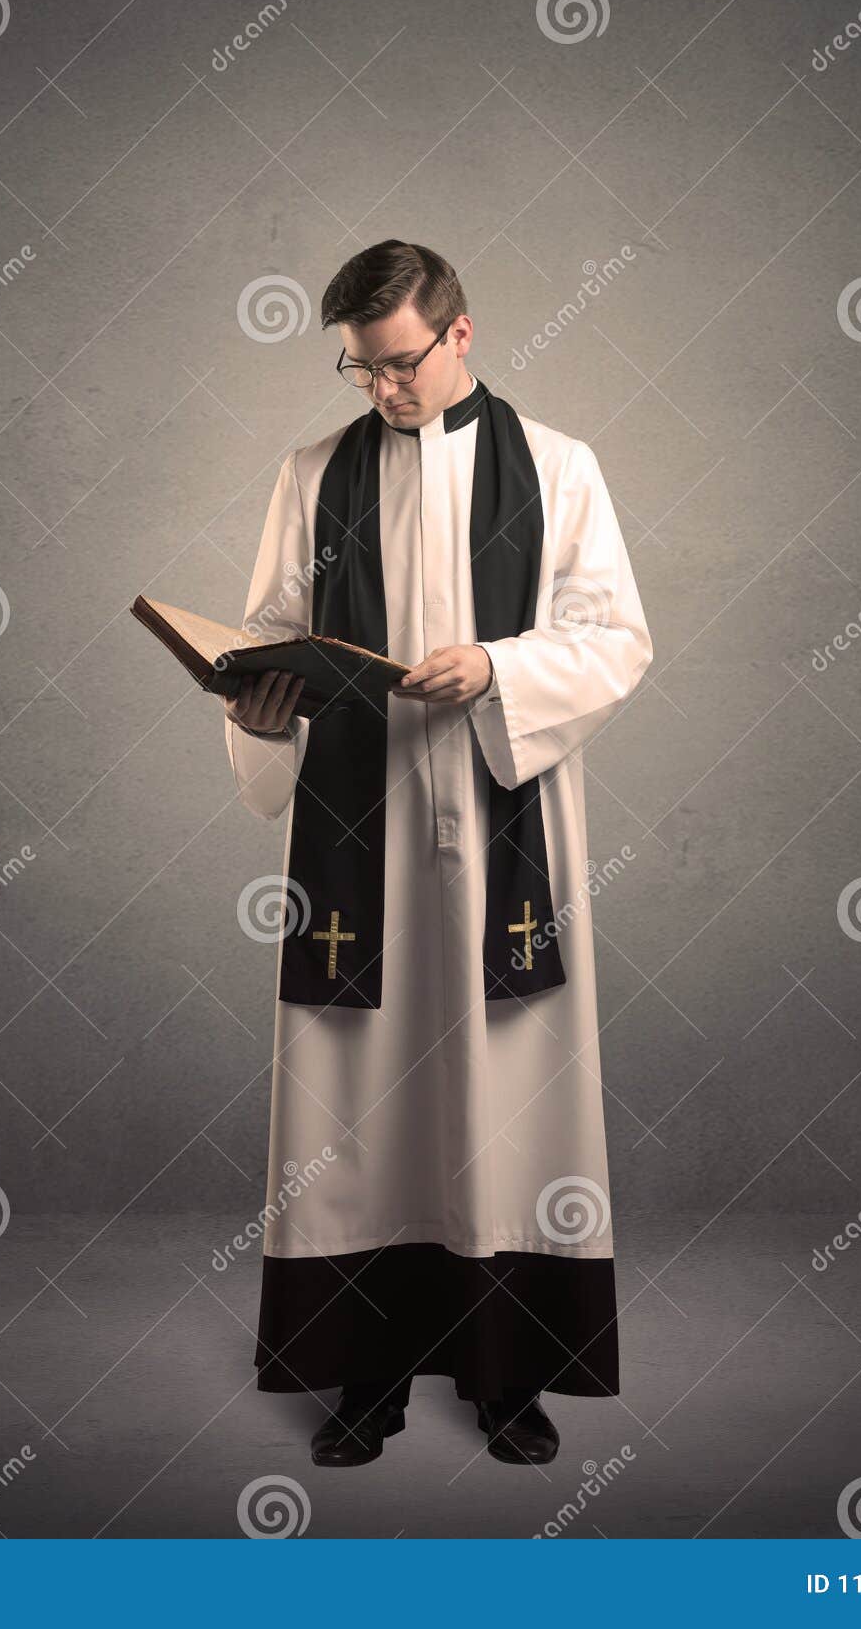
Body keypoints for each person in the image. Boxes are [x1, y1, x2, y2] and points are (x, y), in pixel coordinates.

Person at [222, 240, 652, 1467]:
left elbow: (614, 637)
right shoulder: (313, 475)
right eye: (359, 371)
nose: (381, 392)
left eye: (399, 364)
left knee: (504, 1092)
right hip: (361, 832)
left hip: (499, 815)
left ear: (460, 334)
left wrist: (501, 668)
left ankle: (511, 1374)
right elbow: (266, 632)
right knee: (355, 1100)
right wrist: (254, 696)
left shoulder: (558, 470)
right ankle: (361, 1374)